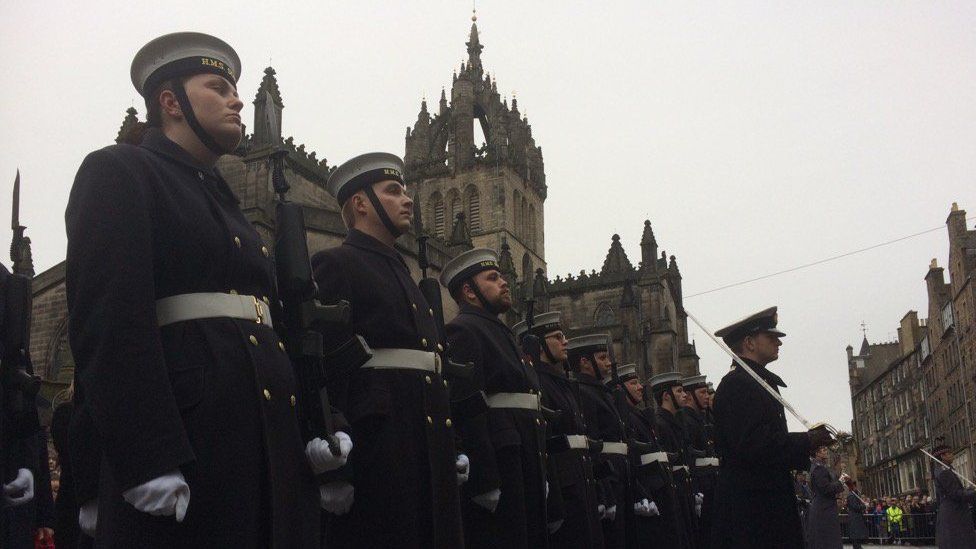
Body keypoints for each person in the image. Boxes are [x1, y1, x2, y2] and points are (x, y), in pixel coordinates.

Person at [65, 32, 338, 547]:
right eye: (219, 87)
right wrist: (145, 455)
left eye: (236, 88)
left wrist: (312, 425)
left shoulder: (222, 198)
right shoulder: (120, 171)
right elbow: (108, 321)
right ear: (171, 102)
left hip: (263, 446)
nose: (236, 99)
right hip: (193, 443)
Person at [310, 152, 464, 548]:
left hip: (424, 444)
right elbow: (320, 366)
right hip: (378, 448)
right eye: (393, 191)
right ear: (361, 203)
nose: (408, 199)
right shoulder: (337, 264)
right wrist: (332, 471)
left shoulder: (406, 276)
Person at [441, 248, 548, 548]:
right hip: (502, 464)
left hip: (524, 456)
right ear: (469, 291)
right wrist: (484, 478)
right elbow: (466, 406)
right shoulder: (463, 330)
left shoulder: (501, 332)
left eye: (501, 276)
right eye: (492, 278)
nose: (503, 282)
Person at [709, 307, 834, 548]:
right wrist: (806, 441)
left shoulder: (758, 382)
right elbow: (753, 445)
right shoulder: (738, 384)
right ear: (749, 343)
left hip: (766, 503)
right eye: (771, 337)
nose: (779, 342)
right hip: (751, 509)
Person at [514, 311, 604, 549]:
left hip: (580, 479)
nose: (566, 342)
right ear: (540, 345)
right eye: (557, 336)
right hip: (563, 488)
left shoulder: (564, 383)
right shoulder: (538, 382)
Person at [616, 364, 688, 548]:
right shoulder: (631, 419)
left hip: (666, 490)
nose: (640, 387)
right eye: (634, 383)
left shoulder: (642, 417)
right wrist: (642, 493)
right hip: (652, 494)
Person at [567, 335, 629, 548]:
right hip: (608, 477)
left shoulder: (602, 392)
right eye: (602, 357)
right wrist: (603, 491)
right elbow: (592, 445)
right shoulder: (583, 392)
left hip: (619, 474)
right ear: (585, 362)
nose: (609, 362)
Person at [647, 371, 696, 548]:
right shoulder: (660, 424)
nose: (685, 395)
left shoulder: (676, 422)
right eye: (679, 391)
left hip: (684, 491)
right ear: (666, 396)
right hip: (674, 494)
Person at [679, 374, 717, 549]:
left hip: (711, 484)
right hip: (700, 487)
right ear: (690, 395)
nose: (707, 396)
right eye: (702, 393)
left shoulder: (700, 420)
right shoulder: (687, 421)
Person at [933, 442, 976, 549]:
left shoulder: (945, 470)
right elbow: (955, 494)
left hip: (952, 511)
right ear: (942, 456)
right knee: (960, 543)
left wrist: (970, 489)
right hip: (954, 513)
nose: (952, 455)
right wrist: (973, 492)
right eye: (949, 453)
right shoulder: (944, 472)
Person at [805, 445, 843, 549]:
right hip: (824, 509)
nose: (826, 451)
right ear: (817, 453)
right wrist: (841, 481)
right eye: (823, 450)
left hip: (822, 508)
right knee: (827, 542)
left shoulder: (818, 467)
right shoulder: (819, 469)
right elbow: (826, 489)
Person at [842, 477, 869, 549]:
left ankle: (858, 547)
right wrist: (864, 506)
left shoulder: (854, 495)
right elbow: (855, 506)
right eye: (855, 486)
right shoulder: (851, 496)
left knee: (857, 536)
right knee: (856, 536)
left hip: (855, 517)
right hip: (855, 517)